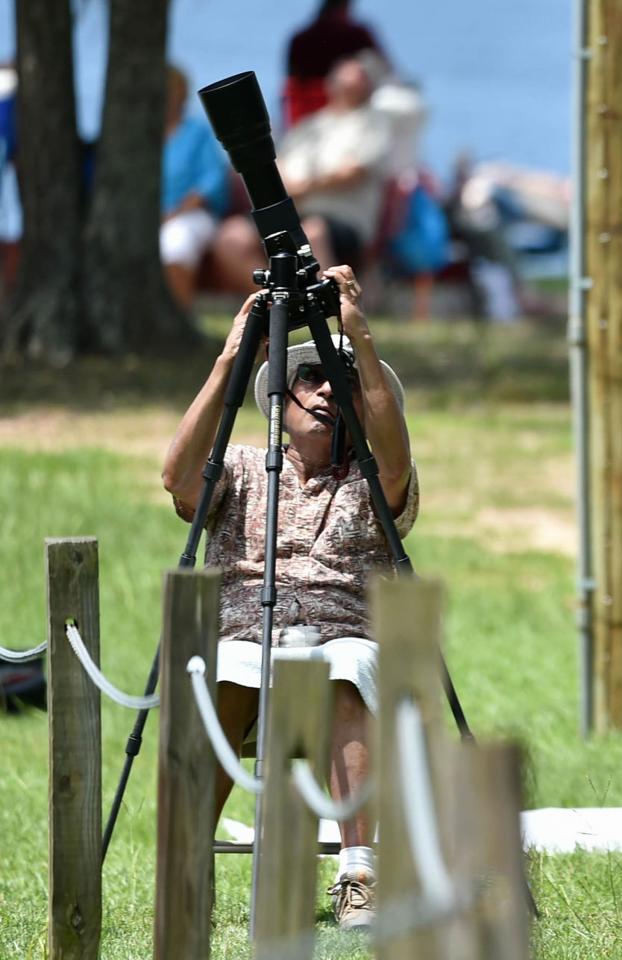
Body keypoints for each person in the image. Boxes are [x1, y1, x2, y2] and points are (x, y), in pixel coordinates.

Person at [161, 266, 415, 931]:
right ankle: (188, 867)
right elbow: (178, 477)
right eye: (310, 378)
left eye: (346, 384)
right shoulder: (241, 465)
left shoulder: (369, 480)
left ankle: (358, 872)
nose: (329, 389)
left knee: (344, 667)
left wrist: (356, 335)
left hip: (344, 641)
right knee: (225, 667)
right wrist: (230, 358)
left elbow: (394, 465)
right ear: (280, 394)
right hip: (243, 641)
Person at [212, 57, 391, 290]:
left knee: (313, 231)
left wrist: (303, 186)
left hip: (343, 220)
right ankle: (278, 305)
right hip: (294, 214)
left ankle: (334, 310)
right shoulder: (309, 127)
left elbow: (354, 171)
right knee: (232, 236)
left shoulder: (373, 123)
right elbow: (280, 167)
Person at [160, 65, 230, 310]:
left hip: (190, 216)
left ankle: (178, 315)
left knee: (175, 243)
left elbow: (212, 180)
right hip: (149, 218)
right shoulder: (141, 137)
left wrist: (174, 213)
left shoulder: (197, 131)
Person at [285, 0, 385, 127]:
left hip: (343, 112)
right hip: (315, 115)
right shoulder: (357, 35)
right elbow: (293, 88)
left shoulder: (298, 39)